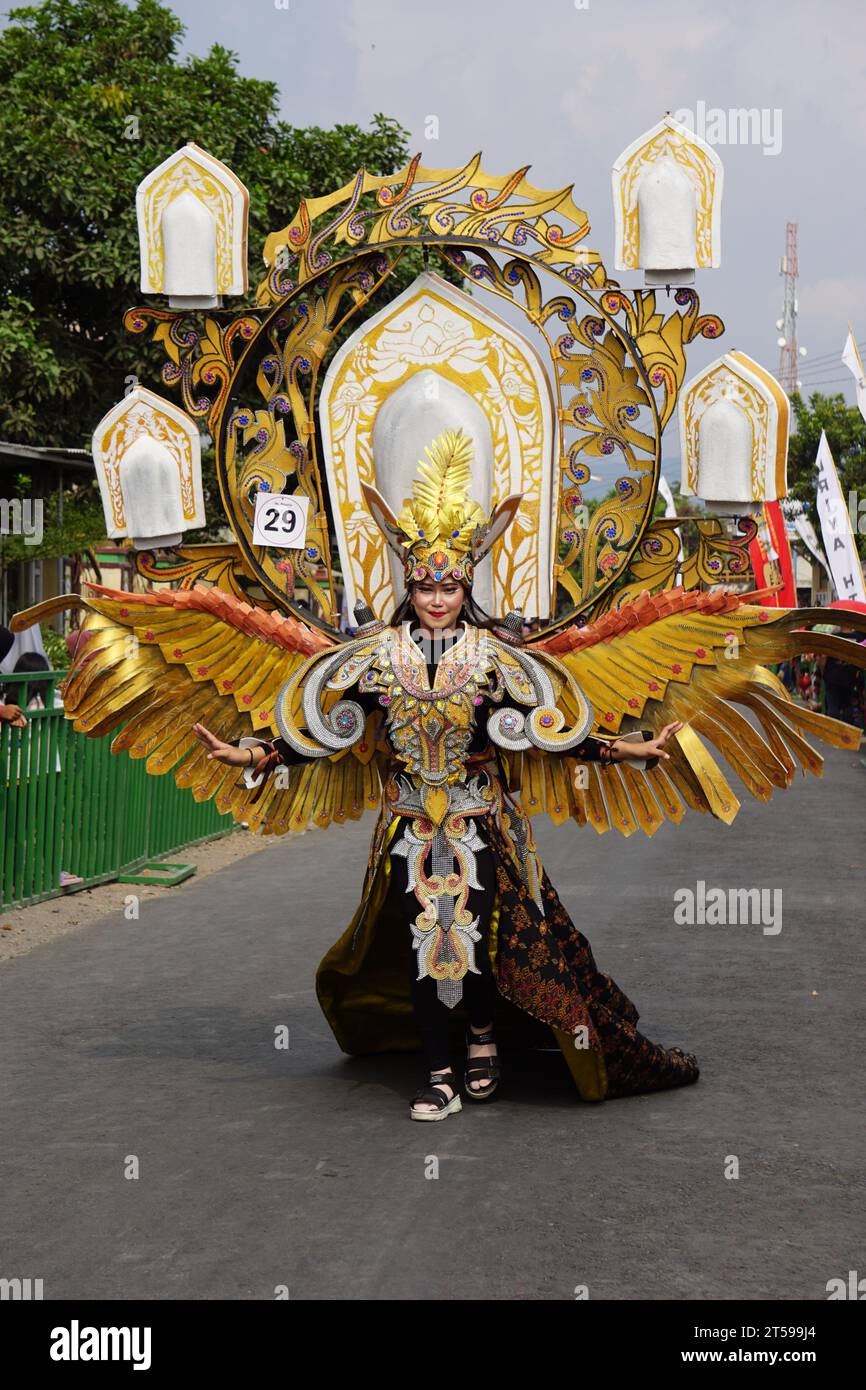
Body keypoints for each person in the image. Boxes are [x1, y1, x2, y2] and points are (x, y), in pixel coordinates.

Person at [193, 431, 699, 1120]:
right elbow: (323, 726)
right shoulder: (374, 657)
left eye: (451, 585)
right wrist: (258, 755)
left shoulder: (497, 658)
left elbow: (551, 731)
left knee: (479, 944)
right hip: (407, 828)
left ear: (468, 585)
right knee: (423, 946)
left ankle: (485, 1038)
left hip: (481, 822)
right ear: (410, 584)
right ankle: (438, 1073)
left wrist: (624, 750)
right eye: (426, 585)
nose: (437, 598)